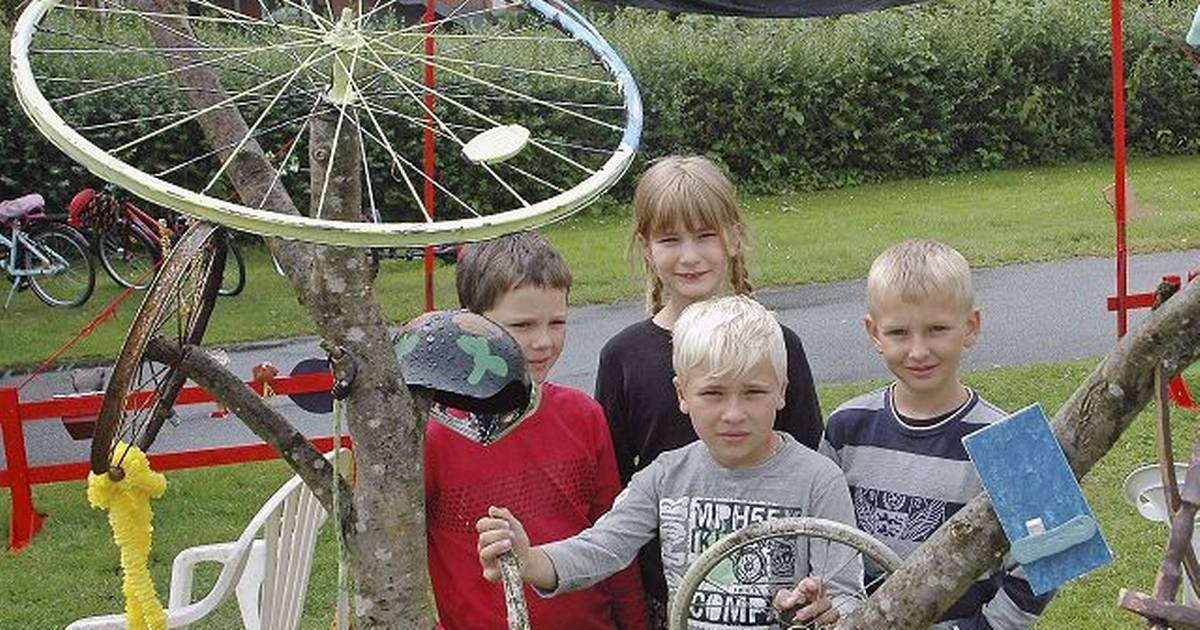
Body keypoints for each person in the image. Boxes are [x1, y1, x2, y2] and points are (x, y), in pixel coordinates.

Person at [479, 296, 861, 630]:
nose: (733, 413)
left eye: (753, 393)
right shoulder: (665, 476)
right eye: (712, 393)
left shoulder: (818, 479)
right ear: (682, 394)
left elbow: (847, 595)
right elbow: (603, 547)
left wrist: (821, 609)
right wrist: (529, 560)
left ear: (781, 391)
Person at [594, 155, 825, 622]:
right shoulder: (623, 357)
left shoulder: (778, 344)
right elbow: (613, 486)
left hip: (774, 601)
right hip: (669, 600)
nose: (690, 256)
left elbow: (808, 459)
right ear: (645, 246)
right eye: (670, 239)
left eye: (705, 236)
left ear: (734, 236)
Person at [819, 239, 1052, 628]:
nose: (918, 351)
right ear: (873, 333)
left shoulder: (1012, 440)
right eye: (898, 333)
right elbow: (827, 540)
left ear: (971, 326)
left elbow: (1050, 556)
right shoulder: (846, 426)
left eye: (937, 329)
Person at [423, 232, 649, 629]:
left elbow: (615, 544)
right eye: (523, 325)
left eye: (557, 322)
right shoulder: (432, 435)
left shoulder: (583, 416)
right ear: (471, 324)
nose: (543, 341)